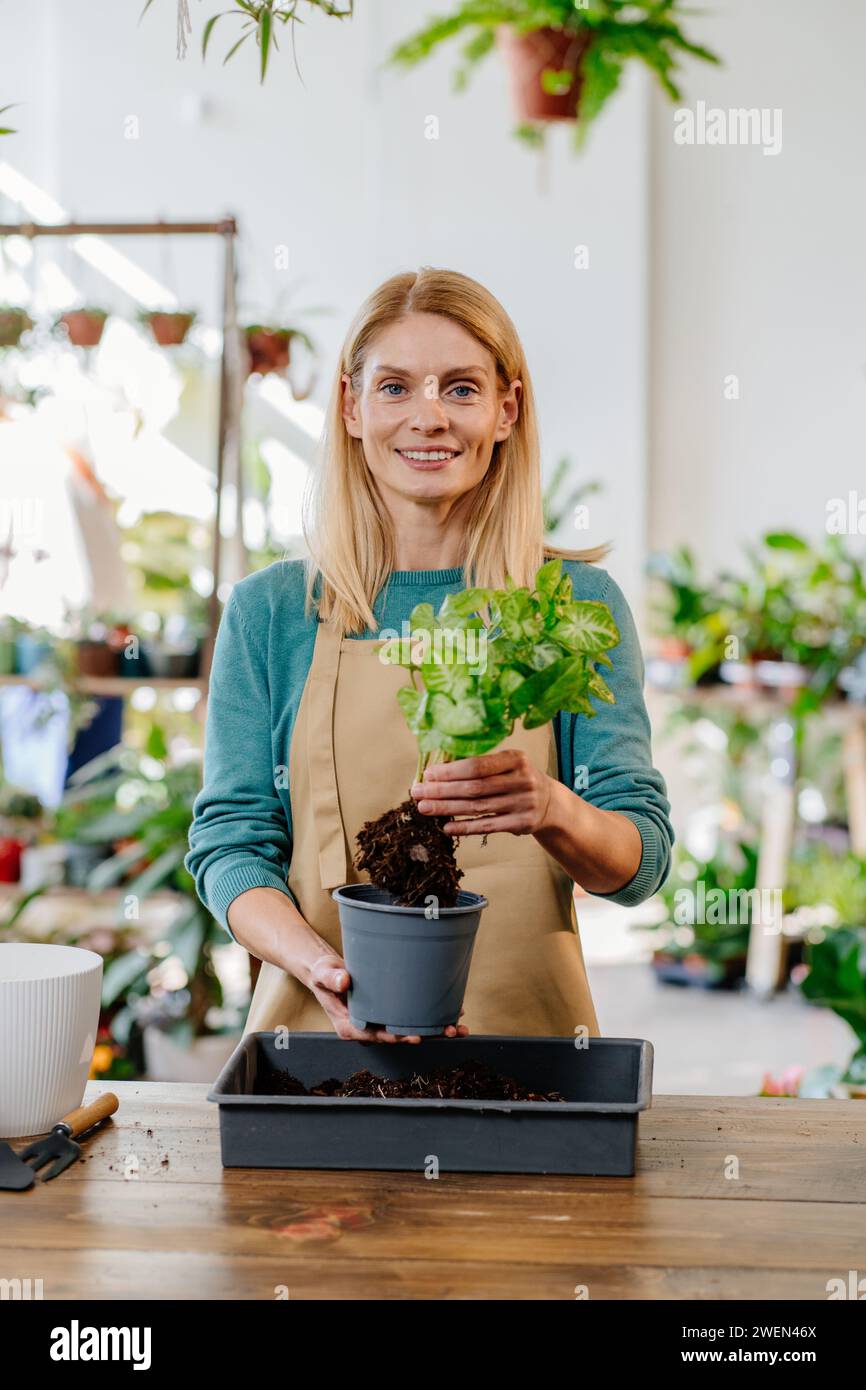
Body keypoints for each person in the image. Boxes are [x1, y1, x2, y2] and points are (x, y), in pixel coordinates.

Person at [186, 267, 674, 1043]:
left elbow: (638, 866)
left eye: (460, 388)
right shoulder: (273, 613)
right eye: (395, 388)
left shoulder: (570, 607)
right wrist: (318, 966)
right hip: (325, 1045)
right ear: (350, 406)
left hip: (529, 1064)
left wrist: (550, 807)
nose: (429, 418)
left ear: (505, 410)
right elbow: (231, 847)